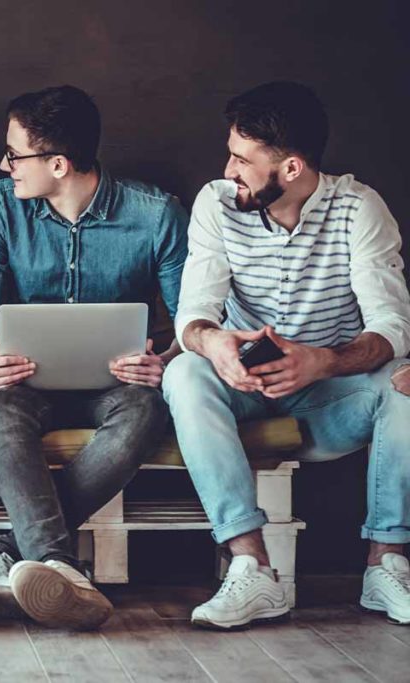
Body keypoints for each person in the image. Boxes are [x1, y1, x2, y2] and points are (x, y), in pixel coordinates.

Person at [163, 81, 410, 629]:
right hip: (242, 389)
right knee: (183, 370)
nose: (229, 171)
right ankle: (251, 567)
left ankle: (387, 564)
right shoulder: (216, 203)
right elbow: (194, 313)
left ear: (292, 168)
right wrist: (214, 343)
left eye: (241, 159)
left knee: (405, 379)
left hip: (330, 398)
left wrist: (323, 361)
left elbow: (392, 326)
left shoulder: (359, 208)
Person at [0, 85, 189, 629]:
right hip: (26, 384)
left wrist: (167, 358)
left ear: (57, 163)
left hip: (118, 387)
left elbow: (193, 321)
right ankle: (58, 564)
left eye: (15, 155)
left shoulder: (157, 215)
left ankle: (14, 554)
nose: (3, 164)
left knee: (146, 411)